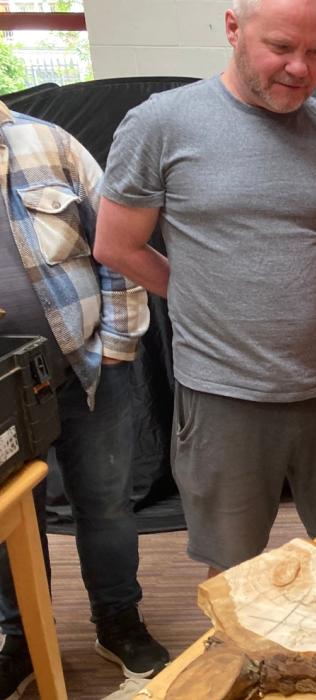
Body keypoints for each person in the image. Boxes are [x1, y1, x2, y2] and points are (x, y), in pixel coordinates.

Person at [93, 0, 316, 577]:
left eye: (315, 50)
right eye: (281, 48)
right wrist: (203, 292)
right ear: (233, 28)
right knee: (232, 575)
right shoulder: (161, 123)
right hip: (223, 397)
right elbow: (116, 245)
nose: (301, 68)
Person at [0, 98, 167, 691]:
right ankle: (22, 637)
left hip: (84, 368)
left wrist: (116, 345)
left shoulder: (50, 144)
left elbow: (117, 243)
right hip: (0, 397)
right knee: (13, 517)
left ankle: (119, 623)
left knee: (107, 505)